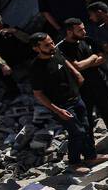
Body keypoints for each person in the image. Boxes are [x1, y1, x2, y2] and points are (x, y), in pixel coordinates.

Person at [28, 32, 99, 170]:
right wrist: (58, 110)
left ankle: (91, 157)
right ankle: (74, 163)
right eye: (47, 45)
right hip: (62, 106)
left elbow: (64, 61)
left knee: (87, 127)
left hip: (76, 99)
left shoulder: (56, 53)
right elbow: (38, 94)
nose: (52, 46)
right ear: (36, 48)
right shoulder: (37, 68)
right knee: (76, 132)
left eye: (52, 42)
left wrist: (76, 73)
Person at [59, 18, 108, 144]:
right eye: (80, 30)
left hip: (98, 81)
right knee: (86, 117)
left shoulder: (87, 40)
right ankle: (89, 145)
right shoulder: (63, 48)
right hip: (81, 88)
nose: (84, 31)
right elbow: (77, 67)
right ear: (69, 32)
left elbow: (102, 57)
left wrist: (88, 62)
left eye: (83, 28)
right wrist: (93, 57)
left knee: (107, 109)